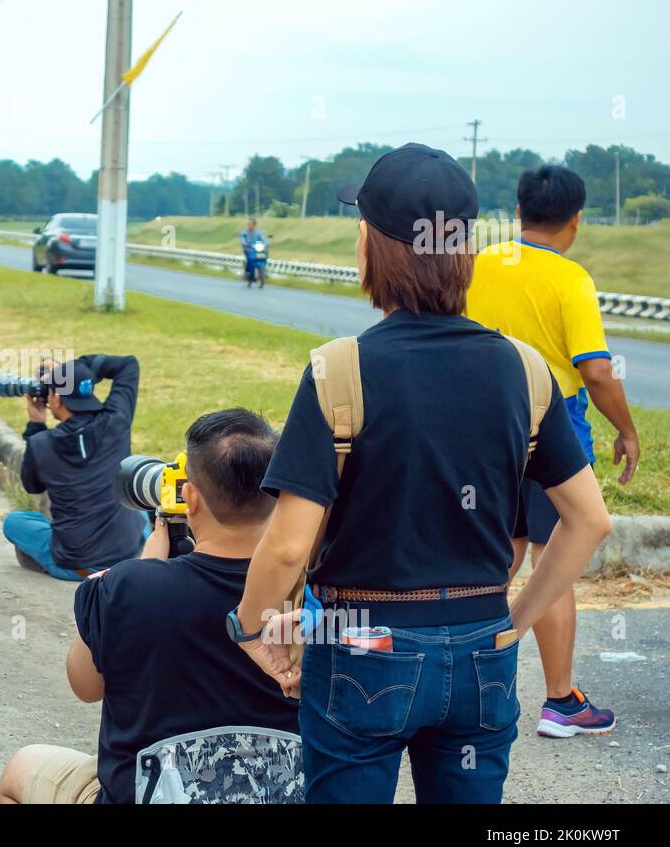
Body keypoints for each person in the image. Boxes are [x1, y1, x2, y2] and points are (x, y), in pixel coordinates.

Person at [231, 144, 613, 804]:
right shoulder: (526, 372)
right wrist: (515, 620)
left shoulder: (339, 369)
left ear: (370, 245)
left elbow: (290, 545)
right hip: (482, 651)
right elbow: (590, 520)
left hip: (360, 644)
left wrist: (252, 626)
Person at [0, 408, 301, 804]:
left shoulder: (126, 587)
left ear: (188, 497)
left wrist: (143, 570)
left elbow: (85, 686)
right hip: (278, 793)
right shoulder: (310, 596)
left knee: (21, 767)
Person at [467, 165, 637, 738]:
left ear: (517, 213)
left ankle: (465, 676)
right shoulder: (570, 279)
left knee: (495, 557)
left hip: (482, 424)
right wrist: (627, 430)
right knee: (553, 560)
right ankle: (560, 702)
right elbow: (594, 369)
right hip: (551, 423)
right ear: (577, 219)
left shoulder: (478, 263)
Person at [2, 355, 147, 581]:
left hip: (77, 566)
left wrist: (36, 424)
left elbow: (31, 486)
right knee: (139, 507)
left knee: (14, 522)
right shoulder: (117, 419)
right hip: (129, 555)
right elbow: (128, 364)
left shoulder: (42, 443)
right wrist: (72, 370)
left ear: (57, 399)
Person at [239, 218, 268, 288]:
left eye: (251, 224)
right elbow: (242, 240)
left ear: (254, 225)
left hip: (257, 250)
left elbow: (264, 240)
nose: (249, 226)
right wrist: (244, 243)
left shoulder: (258, 233)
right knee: (250, 260)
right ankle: (248, 275)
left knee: (263, 258)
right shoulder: (244, 233)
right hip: (248, 250)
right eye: (248, 224)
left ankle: (263, 273)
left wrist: (265, 244)